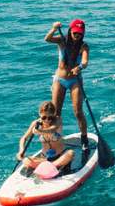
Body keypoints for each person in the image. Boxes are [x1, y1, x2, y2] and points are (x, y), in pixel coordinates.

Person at [45, 19, 90, 166]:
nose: (77, 36)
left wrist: (80, 67)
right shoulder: (62, 41)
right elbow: (47, 39)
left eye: (80, 34)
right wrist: (53, 28)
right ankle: (56, 140)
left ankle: (84, 139)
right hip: (60, 80)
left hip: (75, 81)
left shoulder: (84, 46)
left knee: (78, 111)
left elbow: (85, 61)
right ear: (70, 31)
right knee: (55, 113)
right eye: (75, 33)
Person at [16, 100, 75, 176]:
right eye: (44, 117)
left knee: (71, 153)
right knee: (26, 160)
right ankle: (50, 166)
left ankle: (50, 166)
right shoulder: (36, 124)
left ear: (53, 115)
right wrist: (21, 151)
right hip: (44, 159)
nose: (47, 120)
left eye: (50, 117)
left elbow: (52, 129)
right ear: (39, 114)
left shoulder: (58, 120)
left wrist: (40, 131)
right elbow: (24, 138)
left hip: (59, 156)